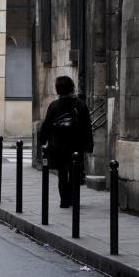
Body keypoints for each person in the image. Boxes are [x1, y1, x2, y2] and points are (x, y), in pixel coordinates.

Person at [37, 76, 93, 208]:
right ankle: (74, 199)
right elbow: (87, 127)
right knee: (75, 173)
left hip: (58, 146)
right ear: (72, 87)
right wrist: (89, 145)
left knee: (62, 173)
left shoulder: (54, 106)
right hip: (76, 145)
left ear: (58, 90)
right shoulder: (80, 105)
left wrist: (42, 140)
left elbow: (46, 125)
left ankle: (64, 200)